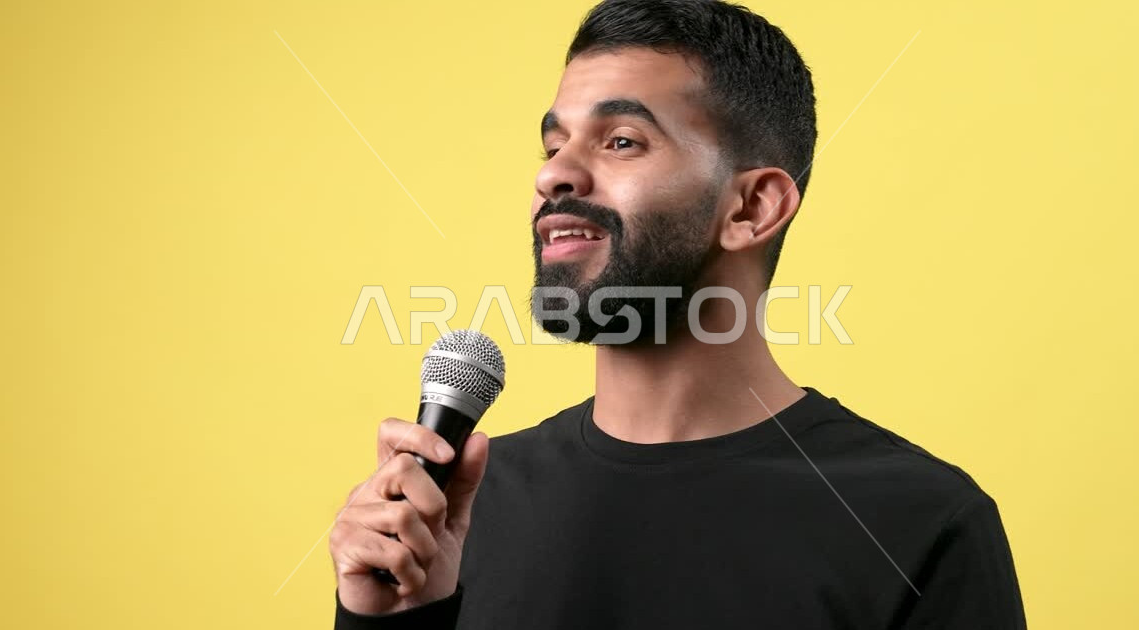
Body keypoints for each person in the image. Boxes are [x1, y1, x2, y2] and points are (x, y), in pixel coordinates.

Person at [328, 0, 1027, 627]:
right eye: (553, 144)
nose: (553, 175)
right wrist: (392, 625)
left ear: (753, 208)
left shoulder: (918, 524)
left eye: (622, 140)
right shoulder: (460, 512)